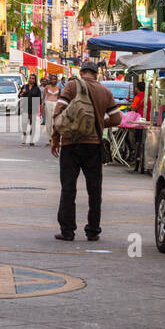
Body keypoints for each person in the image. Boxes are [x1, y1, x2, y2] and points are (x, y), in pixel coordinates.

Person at [50, 60, 122, 242]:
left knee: (68, 189)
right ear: (96, 74)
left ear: (81, 72)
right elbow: (116, 119)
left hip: (70, 144)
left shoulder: (72, 86)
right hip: (93, 145)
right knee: (94, 190)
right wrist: (98, 123)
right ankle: (93, 230)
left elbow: (58, 112)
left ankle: (67, 231)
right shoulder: (105, 91)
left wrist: (55, 138)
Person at [19, 74, 42, 146]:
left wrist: (39, 108)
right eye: (30, 78)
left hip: (33, 109)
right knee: (24, 124)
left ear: (35, 80)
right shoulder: (24, 86)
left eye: (33, 78)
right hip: (25, 108)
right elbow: (19, 95)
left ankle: (31, 140)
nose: (31, 79)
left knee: (33, 125)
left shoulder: (37, 88)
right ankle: (24, 137)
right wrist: (22, 92)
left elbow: (39, 100)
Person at [42, 74, 61, 139]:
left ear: (57, 80)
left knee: (55, 121)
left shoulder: (59, 88)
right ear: (50, 80)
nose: (53, 80)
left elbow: (59, 98)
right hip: (48, 104)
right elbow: (44, 97)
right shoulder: (47, 87)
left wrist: (60, 106)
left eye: (55, 79)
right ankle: (49, 138)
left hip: (56, 104)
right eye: (52, 79)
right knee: (48, 121)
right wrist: (42, 105)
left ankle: (54, 136)